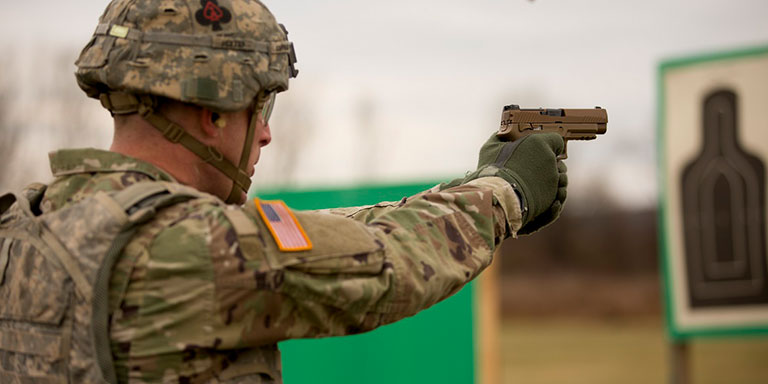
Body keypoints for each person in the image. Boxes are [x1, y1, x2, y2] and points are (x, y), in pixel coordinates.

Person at [0, 0, 567, 383]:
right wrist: (507, 192)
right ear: (210, 112)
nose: (266, 130)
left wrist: (463, 187)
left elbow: (318, 235)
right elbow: (389, 264)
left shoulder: (26, 223)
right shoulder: (191, 247)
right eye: (259, 106)